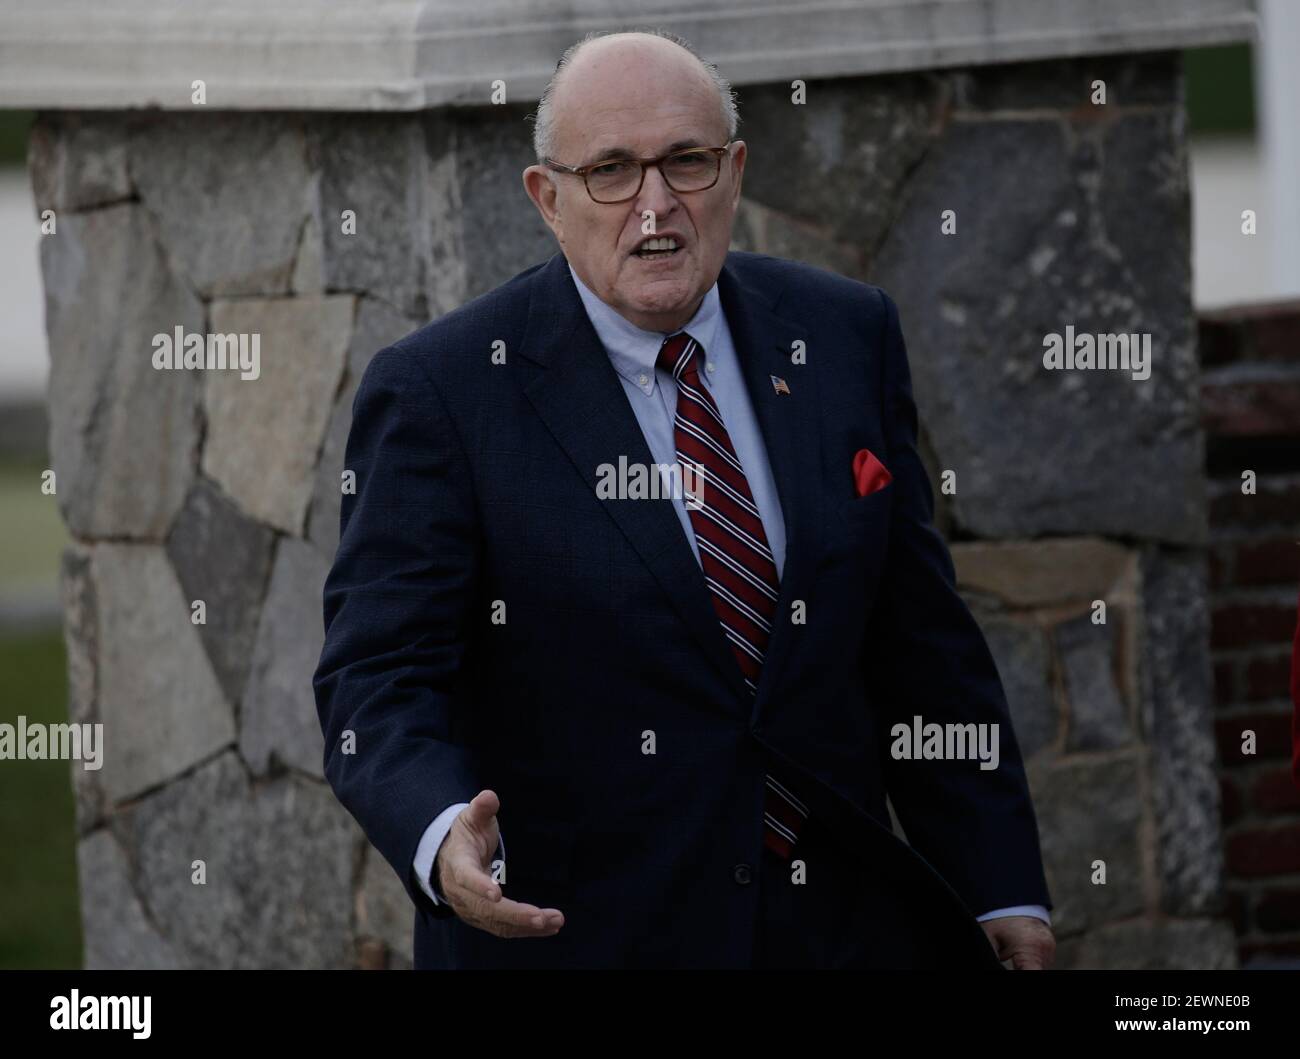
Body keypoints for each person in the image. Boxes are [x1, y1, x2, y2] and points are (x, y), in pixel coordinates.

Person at [313, 28, 1054, 969]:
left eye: (687, 163)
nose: (655, 205)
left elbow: (923, 648)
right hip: (585, 940)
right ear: (549, 198)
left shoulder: (841, 335)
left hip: (841, 938)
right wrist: (441, 828)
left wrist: (1000, 884)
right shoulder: (444, 393)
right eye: (611, 171)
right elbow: (376, 676)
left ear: (734, 171)